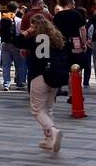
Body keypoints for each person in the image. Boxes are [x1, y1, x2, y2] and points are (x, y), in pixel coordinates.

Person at [12, 13, 70, 153]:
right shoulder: (57, 38)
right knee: (48, 108)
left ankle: (53, 131)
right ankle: (49, 139)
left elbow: (16, 41)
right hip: (55, 77)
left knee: (37, 110)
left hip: (39, 75)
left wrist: (27, 31)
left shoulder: (34, 39)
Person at [53, 0, 87, 97]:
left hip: (62, 44)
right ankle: (75, 92)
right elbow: (82, 29)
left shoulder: (58, 16)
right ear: (71, 3)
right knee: (76, 69)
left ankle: (68, 91)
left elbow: (55, 31)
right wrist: (84, 43)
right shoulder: (76, 14)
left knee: (67, 68)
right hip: (75, 43)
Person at [0, 1, 27, 91]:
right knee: (18, 64)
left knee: (6, 65)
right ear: (16, 9)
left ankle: (6, 84)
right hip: (16, 44)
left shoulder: (3, 19)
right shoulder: (18, 20)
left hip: (5, 43)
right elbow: (21, 32)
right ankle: (19, 83)